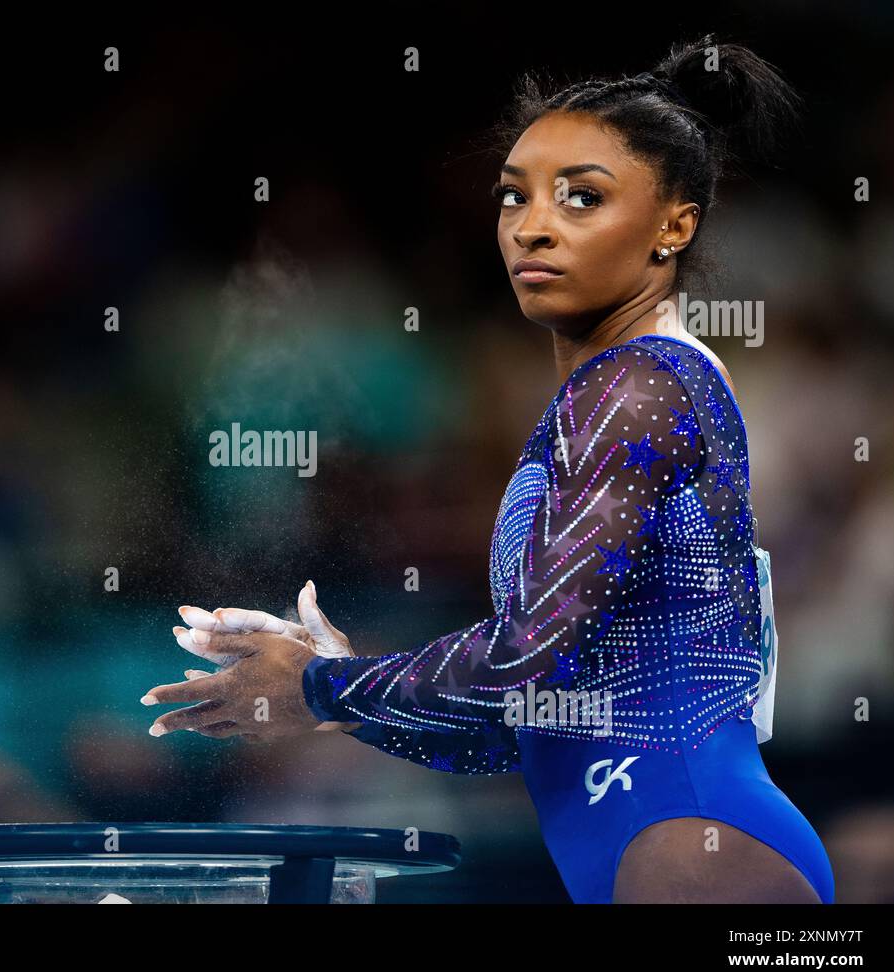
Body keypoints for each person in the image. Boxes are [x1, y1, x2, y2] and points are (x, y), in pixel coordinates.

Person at [142, 35, 833, 904]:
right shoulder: (608, 392)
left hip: (690, 837)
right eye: (514, 195)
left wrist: (321, 687)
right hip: (645, 833)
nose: (532, 224)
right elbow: (516, 724)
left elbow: (525, 656)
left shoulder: (641, 388)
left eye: (583, 197)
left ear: (675, 225)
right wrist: (346, 681)